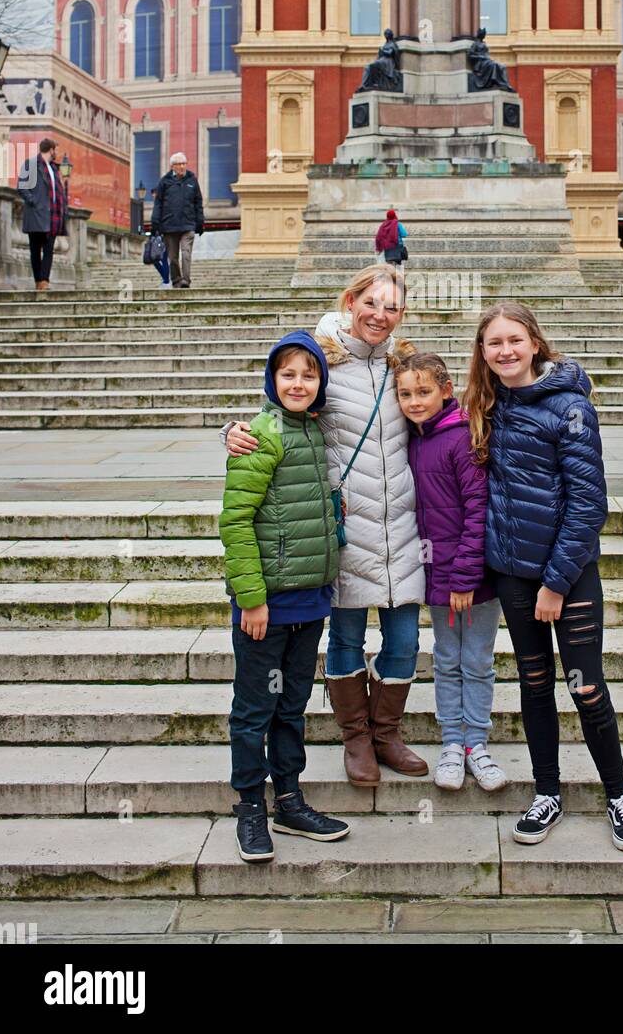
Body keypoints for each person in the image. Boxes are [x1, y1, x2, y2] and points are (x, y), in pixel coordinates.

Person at [221, 265, 428, 787]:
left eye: (392, 307)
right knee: (346, 640)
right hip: (341, 530)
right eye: (371, 303)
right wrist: (233, 430)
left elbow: (439, 413)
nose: (380, 315)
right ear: (350, 301)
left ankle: (387, 732)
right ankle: (355, 736)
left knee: (403, 643)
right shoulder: (323, 362)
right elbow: (279, 409)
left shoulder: (404, 365)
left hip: (401, 528)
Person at [463, 301, 623, 851]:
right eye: (494, 342)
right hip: (513, 573)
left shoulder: (569, 407)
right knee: (535, 683)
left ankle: (619, 796)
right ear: (483, 352)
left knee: (585, 686)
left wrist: (556, 584)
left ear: (535, 343)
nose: (505, 351)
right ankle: (547, 792)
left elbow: (589, 503)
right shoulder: (483, 405)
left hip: (567, 574)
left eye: (514, 340)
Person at [219, 329, 350, 861]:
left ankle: (289, 798)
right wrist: (251, 598)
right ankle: (250, 805)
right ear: (272, 380)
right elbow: (235, 522)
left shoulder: (314, 428)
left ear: (321, 382)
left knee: (292, 705)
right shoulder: (262, 433)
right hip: (266, 604)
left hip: (309, 598)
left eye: (309, 374)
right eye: (288, 373)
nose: (299, 383)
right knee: (255, 708)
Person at [396, 350, 506, 792]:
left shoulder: (463, 436)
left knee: (476, 660)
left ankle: (476, 744)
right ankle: (450, 743)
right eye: (405, 394)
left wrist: (466, 577)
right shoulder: (410, 437)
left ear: (446, 390)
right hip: (436, 572)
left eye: (423, 391)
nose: (414, 401)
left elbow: (478, 509)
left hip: (473, 576)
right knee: (445, 657)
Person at [17, 137, 68, 293]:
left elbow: (59, 192)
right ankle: (38, 280)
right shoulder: (31, 164)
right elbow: (22, 187)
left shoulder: (54, 169)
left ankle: (45, 280)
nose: (57, 153)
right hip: (35, 215)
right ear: (50, 150)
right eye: (56, 150)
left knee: (49, 250)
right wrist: (34, 202)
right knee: (35, 250)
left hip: (52, 217)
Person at [150, 152, 204, 289]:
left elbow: (198, 202)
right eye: (179, 164)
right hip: (169, 225)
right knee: (173, 257)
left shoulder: (192, 180)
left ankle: (186, 280)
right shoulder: (164, 182)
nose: (182, 166)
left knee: (186, 253)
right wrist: (155, 223)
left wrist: (200, 222)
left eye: (184, 163)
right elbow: (158, 204)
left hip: (188, 224)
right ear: (172, 166)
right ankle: (176, 280)